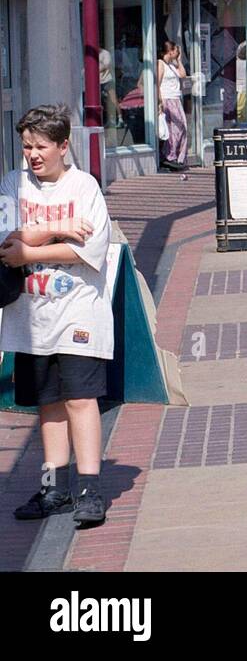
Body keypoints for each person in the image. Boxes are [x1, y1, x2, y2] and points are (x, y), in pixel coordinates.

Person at [1, 105, 112, 528]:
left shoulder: (84, 186)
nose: (32, 154)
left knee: (81, 400)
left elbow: (90, 250)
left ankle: (88, 490)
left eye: (41, 146)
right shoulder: (13, 184)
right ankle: (53, 487)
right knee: (47, 404)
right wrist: (57, 227)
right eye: (26, 146)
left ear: (64, 146)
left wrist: (31, 250)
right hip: (32, 316)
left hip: (79, 312)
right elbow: (5, 241)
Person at [157, 39, 188, 172]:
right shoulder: (161, 64)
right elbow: (157, 83)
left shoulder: (172, 65)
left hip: (176, 98)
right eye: (176, 50)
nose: (177, 52)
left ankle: (176, 156)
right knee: (173, 129)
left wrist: (179, 60)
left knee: (182, 127)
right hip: (167, 98)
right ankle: (170, 155)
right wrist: (159, 101)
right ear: (170, 51)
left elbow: (183, 75)